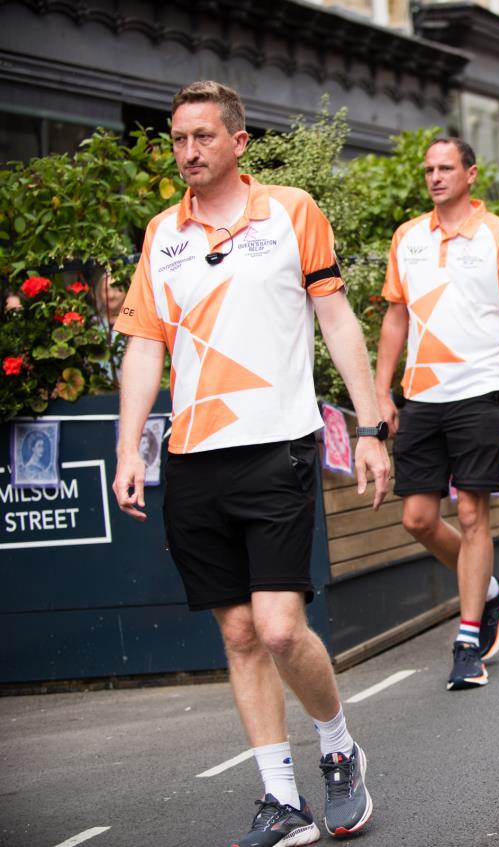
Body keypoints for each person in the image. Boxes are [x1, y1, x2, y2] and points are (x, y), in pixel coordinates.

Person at [111, 80, 389, 846]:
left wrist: (370, 426)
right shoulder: (162, 234)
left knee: (277, 628)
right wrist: (130, 445)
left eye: (202, 136)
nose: (188, 151)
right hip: (193, 458)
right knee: (237, 632)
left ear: (238, 141)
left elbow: (337, 319)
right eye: (178, 139)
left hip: (278, 446)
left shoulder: (292, 211)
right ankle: (280, 798)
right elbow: (145, 347)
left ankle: (338, 748)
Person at [375, 136, 499, 692]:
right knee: (417, 518)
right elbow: (395, 318)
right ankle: (492, 590)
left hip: (480, 391)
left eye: (445, 168)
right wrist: (380, 393)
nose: (435, 177)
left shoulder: (498, 235)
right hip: (421, 395)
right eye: (429, 169)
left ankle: (468, 642)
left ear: (470, 174)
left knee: (472, 514)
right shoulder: (408, 238)